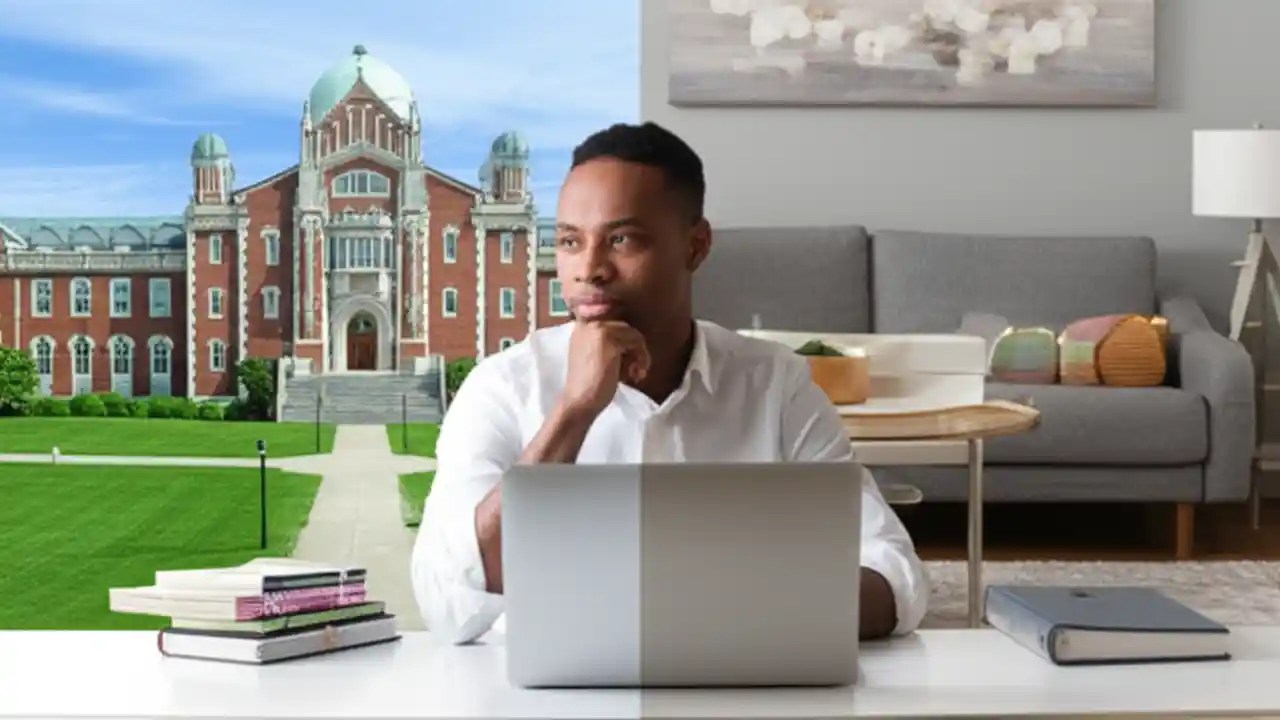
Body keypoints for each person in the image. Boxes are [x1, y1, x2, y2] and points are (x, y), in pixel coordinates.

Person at [410, 121, 929, 645]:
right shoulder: (501, 386)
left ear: (696, 246)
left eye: (621, 239)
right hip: (541, 687)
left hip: (737, 674)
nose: (589, 269)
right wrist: (573, 412)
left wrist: (722, 612)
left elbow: (893, 574)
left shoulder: (776, 385)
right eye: (569, 241)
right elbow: (448, 596)